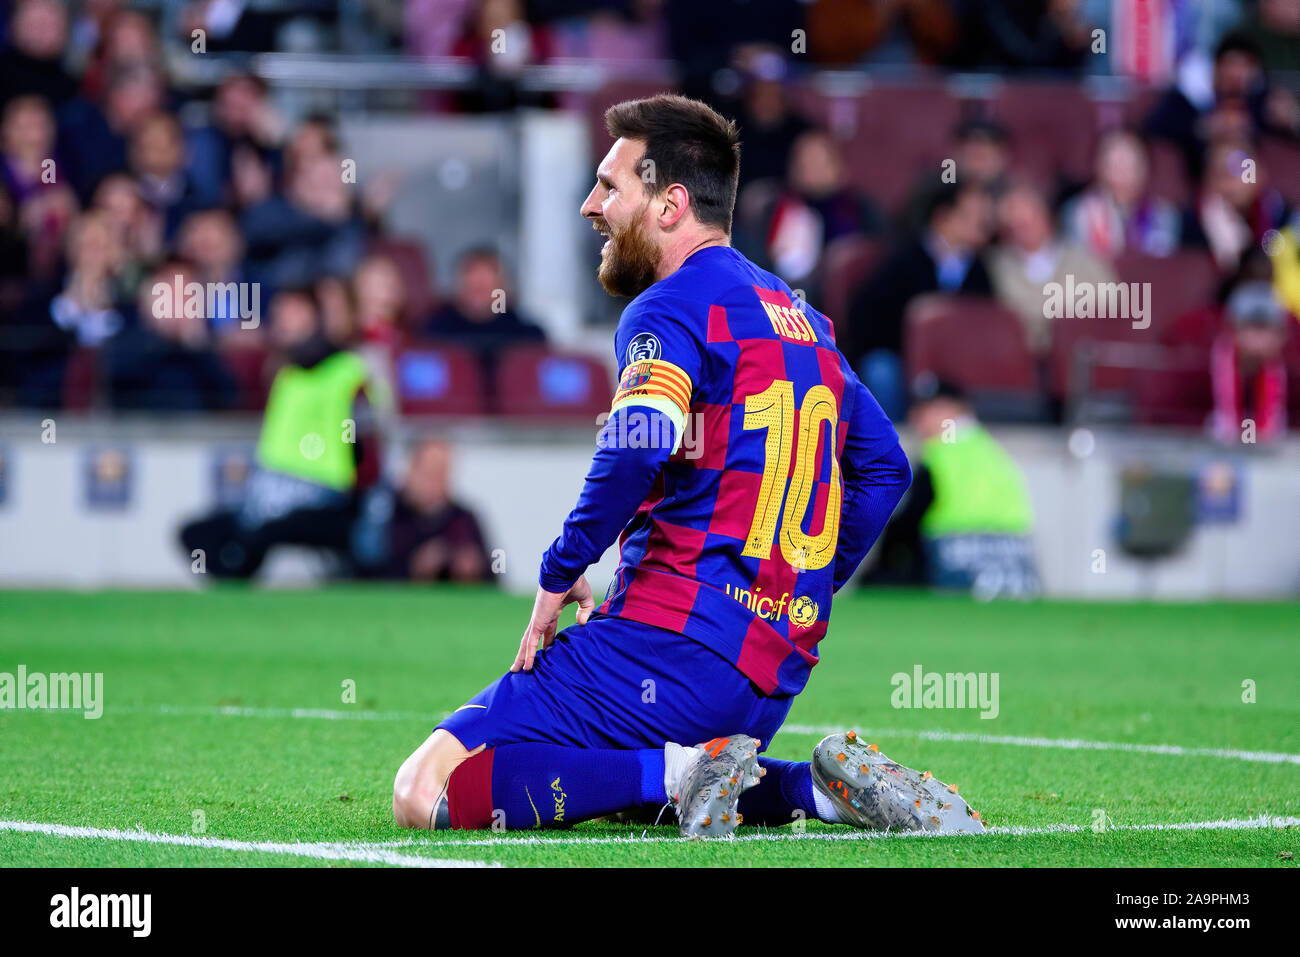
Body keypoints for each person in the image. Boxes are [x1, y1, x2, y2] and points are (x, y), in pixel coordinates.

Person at [392, 94, 983, 838]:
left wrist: (558, 566)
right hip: (769, 670)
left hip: (670, 649)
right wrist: (797, 585)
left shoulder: (668, 309)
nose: (589, 206)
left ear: (670, 205)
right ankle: (814, 789)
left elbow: (638, 440)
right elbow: (885, 467)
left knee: (425, 786)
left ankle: (685, 769)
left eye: (610, 186)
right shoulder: (803, 320)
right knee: (600, 783)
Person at [177, 288, 382, 578]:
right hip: (269, 494)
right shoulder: (284, 373)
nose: (284, 324)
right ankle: (231, 590)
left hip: (325, 496)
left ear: (317, 321)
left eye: (295, 316)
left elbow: (360, 440)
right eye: (280, 316)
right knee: (197, 535)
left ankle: (236, 581)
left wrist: (358, 491)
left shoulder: (348, 370)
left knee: (262, 536)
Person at [868, 378, 1039, 597]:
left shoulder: (938, 456)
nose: (916, 419)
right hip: (1017, 572)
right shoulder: (993, 452)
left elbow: (904, 526)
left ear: (954, 410)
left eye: (927, 410)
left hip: (954, 570)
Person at [846, 181, 994, 419]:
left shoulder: (980, 269)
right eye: (972, 214)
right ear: (943, 217)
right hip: (900, 358)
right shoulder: (903, 258)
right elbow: (865, 313)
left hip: (953, 367)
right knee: (881, 371)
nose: (983, 222)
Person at [352, 439, 493, 583]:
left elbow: (496, 577)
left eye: (442, 473)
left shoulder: (464, 519)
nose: (435, 482)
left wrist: (475, 570)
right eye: (429, 472)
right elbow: (363, 571)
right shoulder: (384, 513)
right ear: (412, 470)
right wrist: (414, 568)